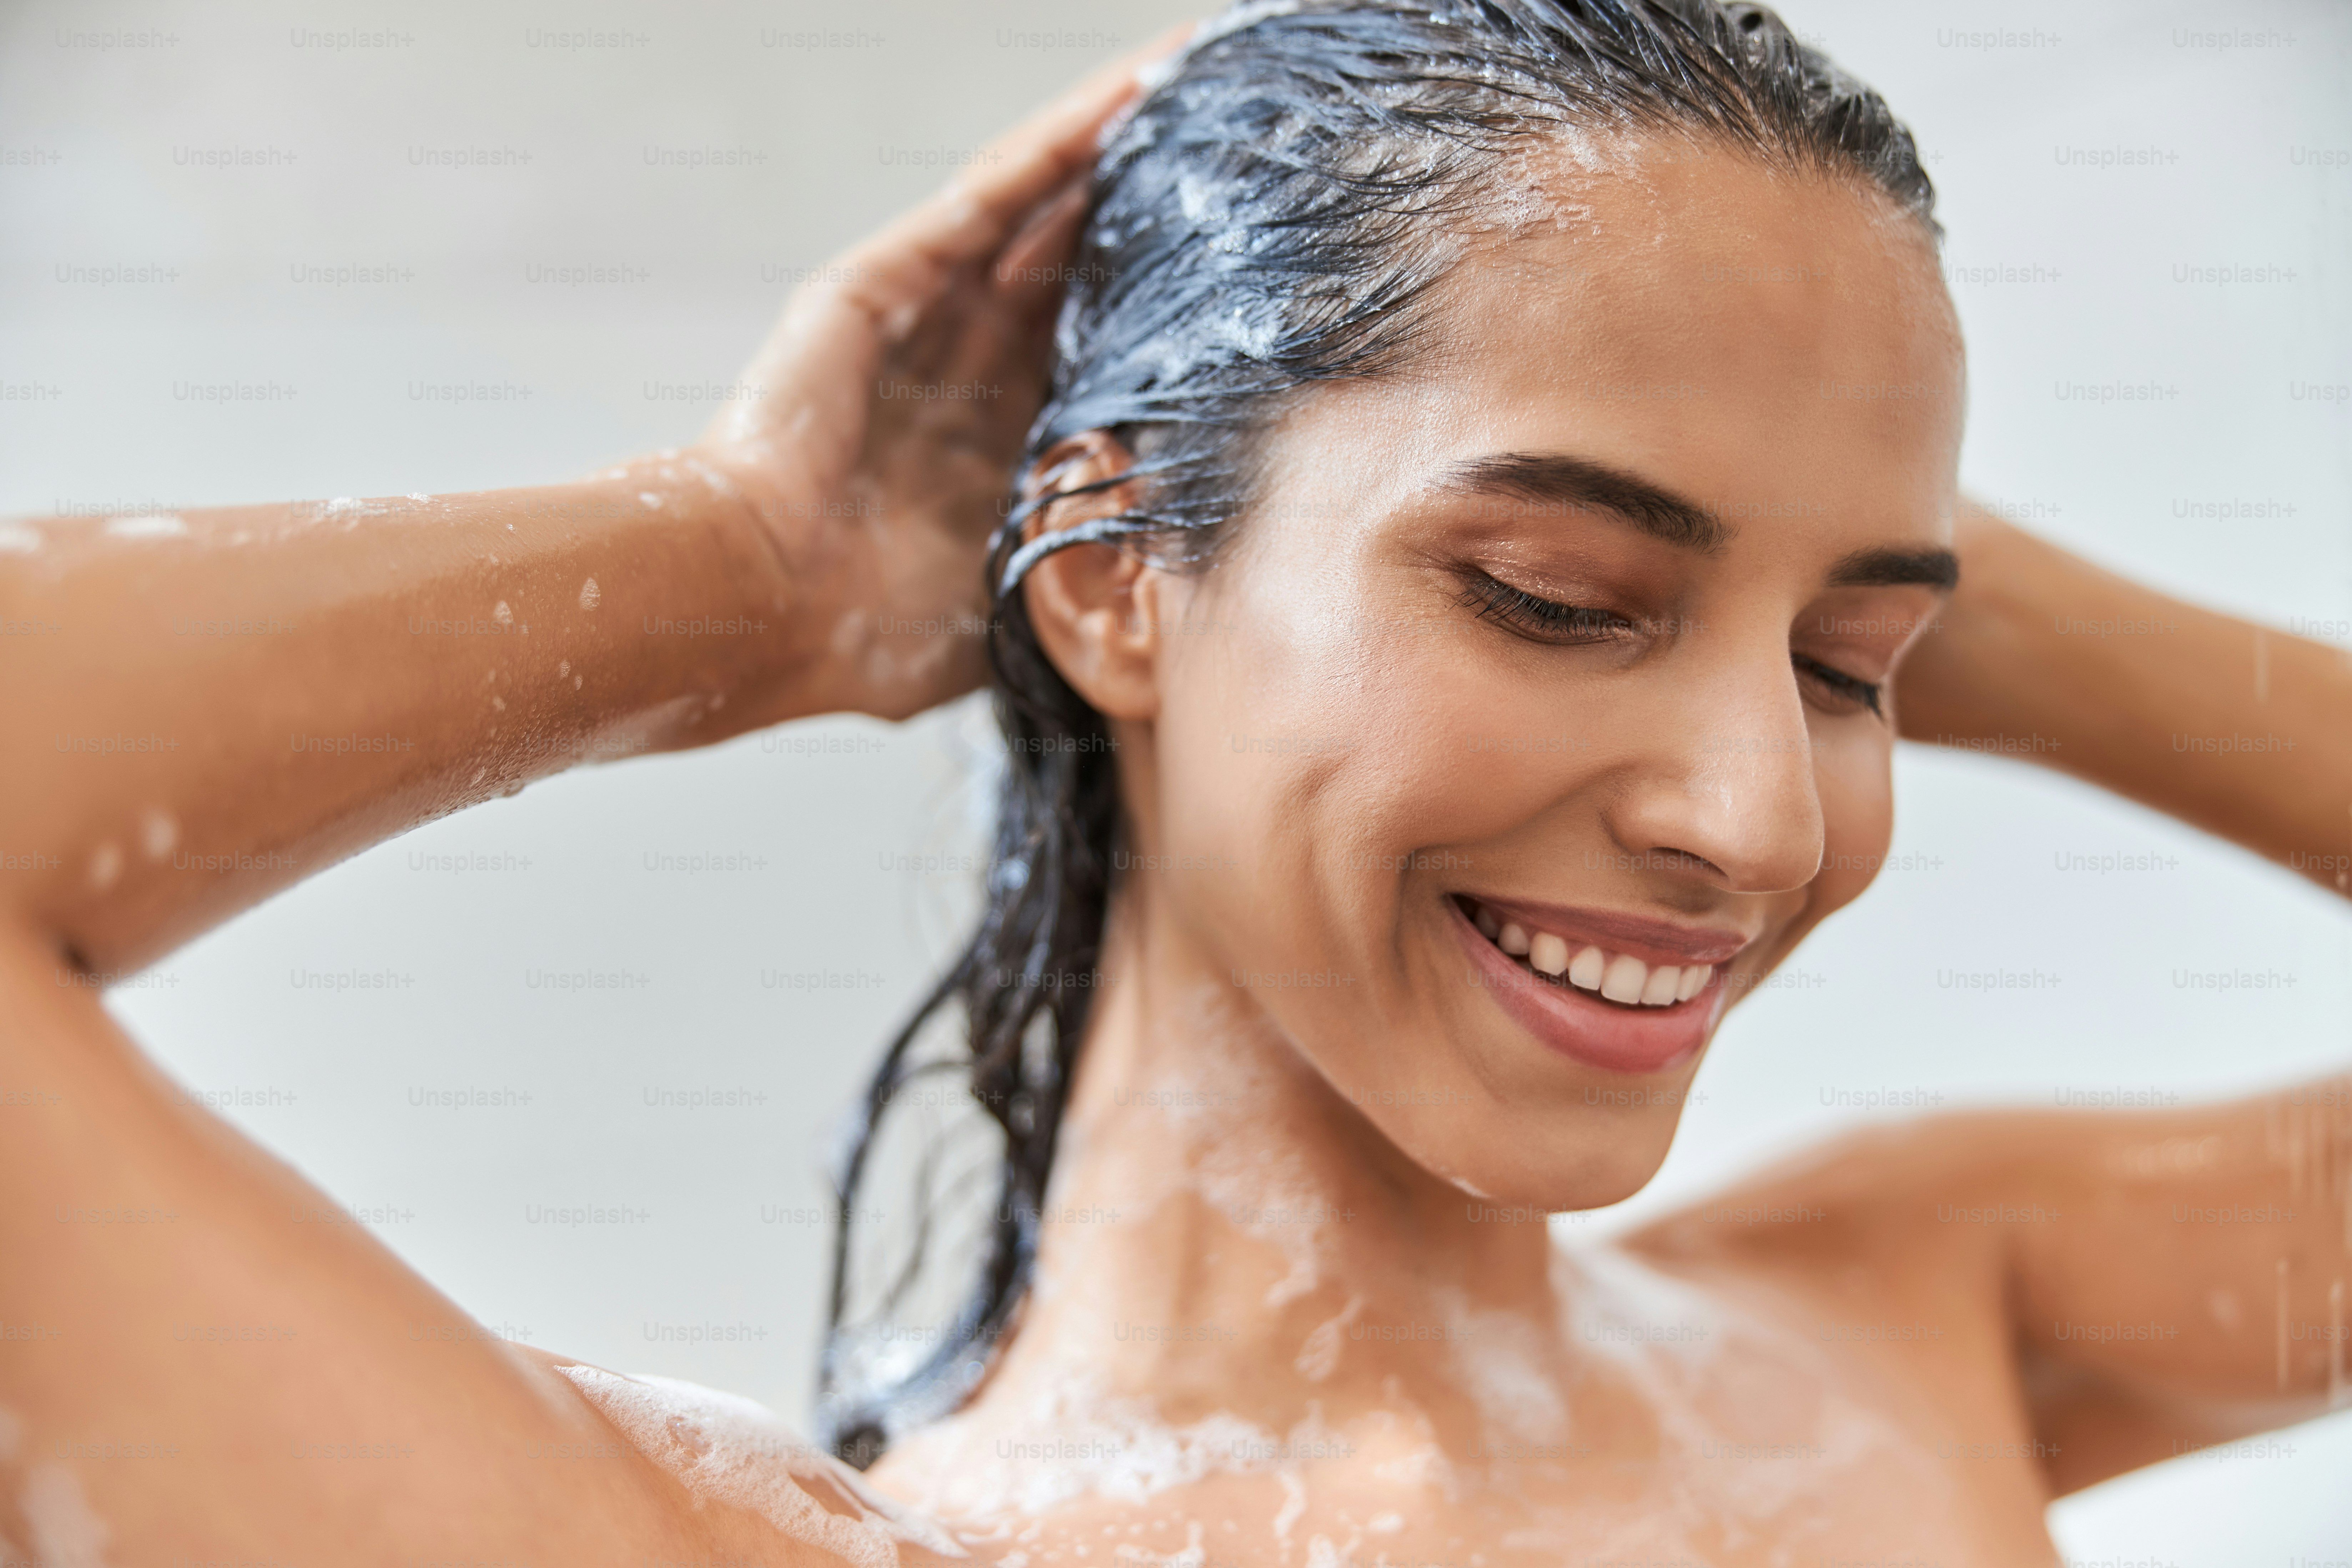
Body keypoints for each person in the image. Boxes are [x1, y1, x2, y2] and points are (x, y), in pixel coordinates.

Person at [0, 1, 2343, 1561]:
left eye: (1850, 673)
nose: (1760, 820)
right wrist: (753, 566)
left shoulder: (1919, 1312)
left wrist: (1946, 586)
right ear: (1121, 574)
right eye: (1552, 595)